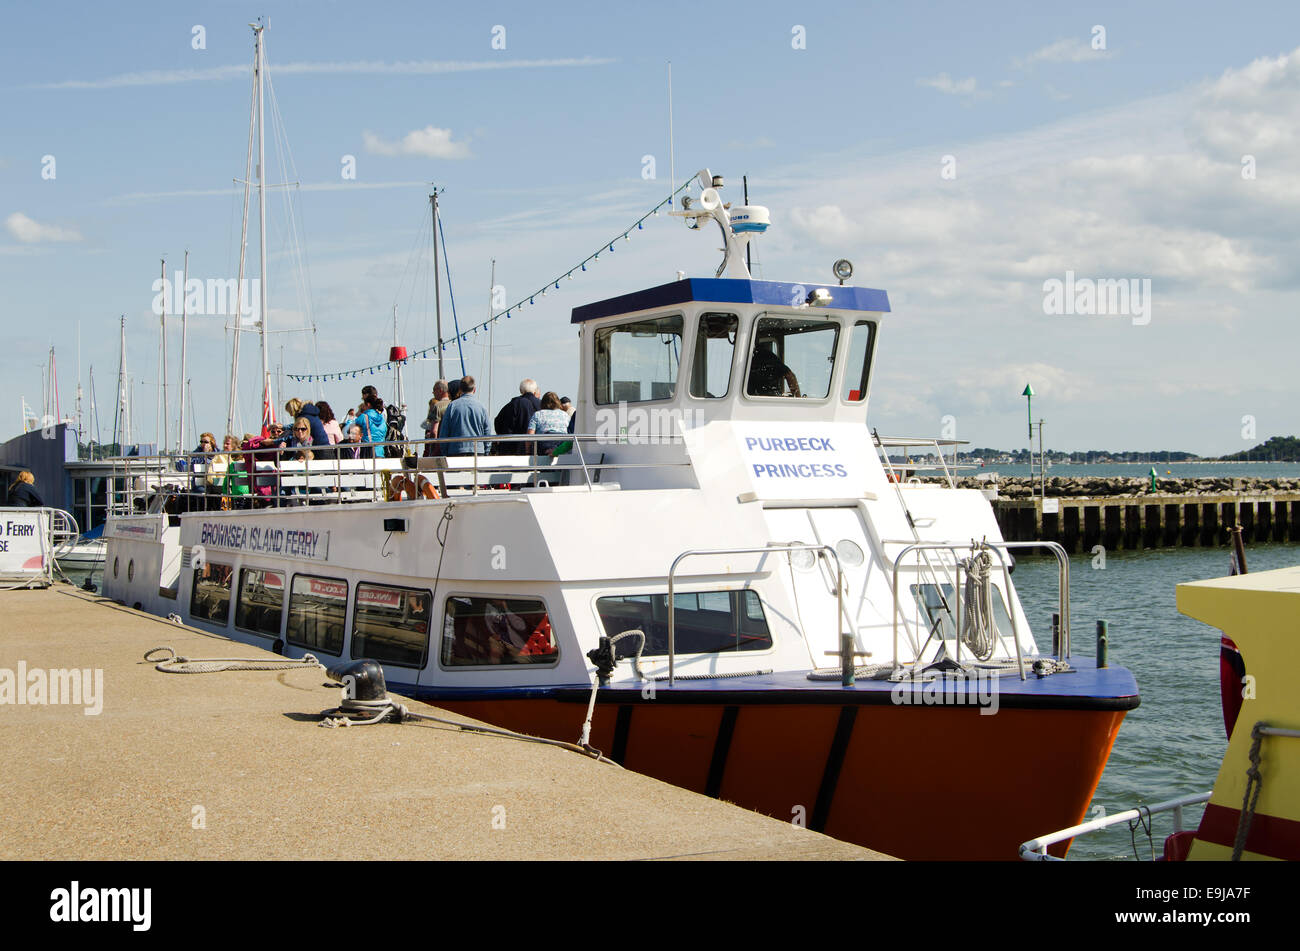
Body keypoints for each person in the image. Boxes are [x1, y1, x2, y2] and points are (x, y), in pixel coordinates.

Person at [439, 375, 491, 456]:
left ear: (460, 389)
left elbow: (444, 432)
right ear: (474, 389)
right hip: (477, 451)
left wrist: (445, 452)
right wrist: (486, 451)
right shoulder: (482, 407)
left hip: (456, 451)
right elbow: (487, 432)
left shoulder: (452, 406)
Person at [493, 379, 541, 456]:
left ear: (521, 390)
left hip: (510, 448)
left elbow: (498, 422)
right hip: (535, 449)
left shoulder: (511, 404)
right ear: (535, 390)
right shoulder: (541, 405)